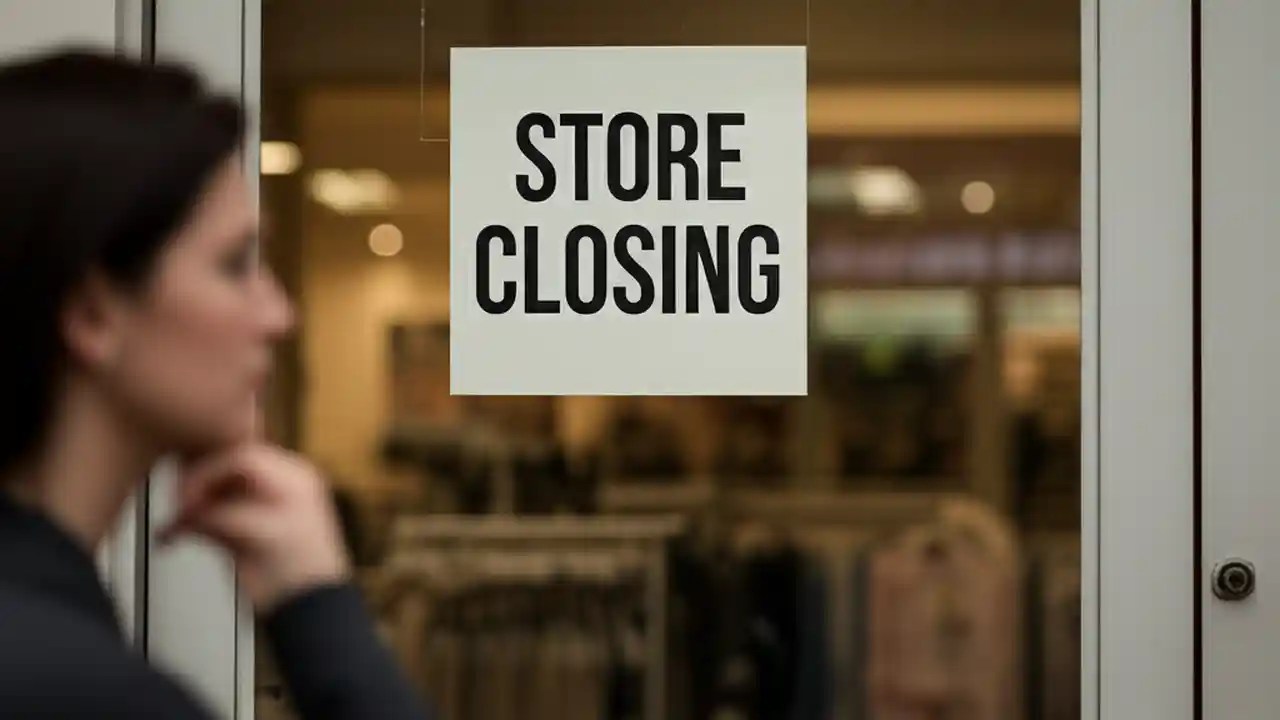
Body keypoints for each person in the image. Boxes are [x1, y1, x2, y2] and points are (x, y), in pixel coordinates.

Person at [0, 51, 431, 718]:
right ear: (91, 315)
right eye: (234, 265)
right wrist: (320, 613)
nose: (279, 316)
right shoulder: (89, 694)